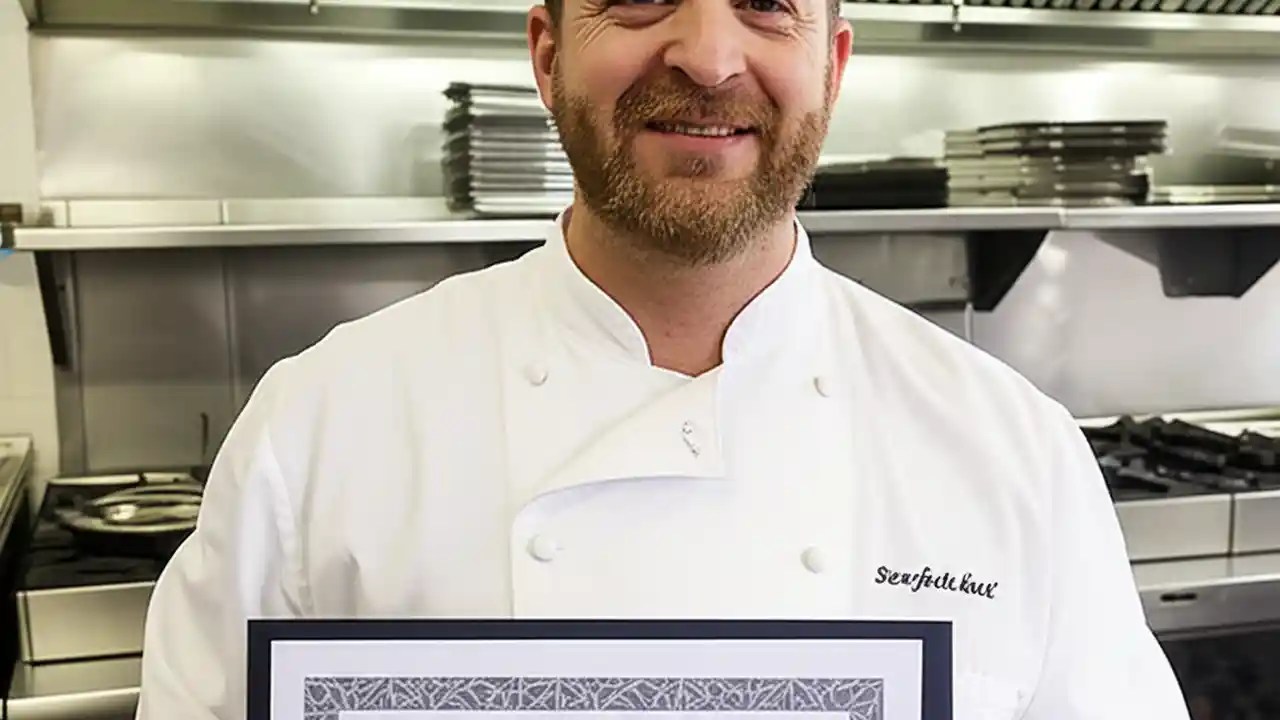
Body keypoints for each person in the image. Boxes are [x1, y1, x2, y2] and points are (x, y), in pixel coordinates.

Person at [135, 1, 1190, 718]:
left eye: (767, 2)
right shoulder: (321, 425)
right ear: (546, 54)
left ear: (829, 64)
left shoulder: (1013, 449)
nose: (708, 56)